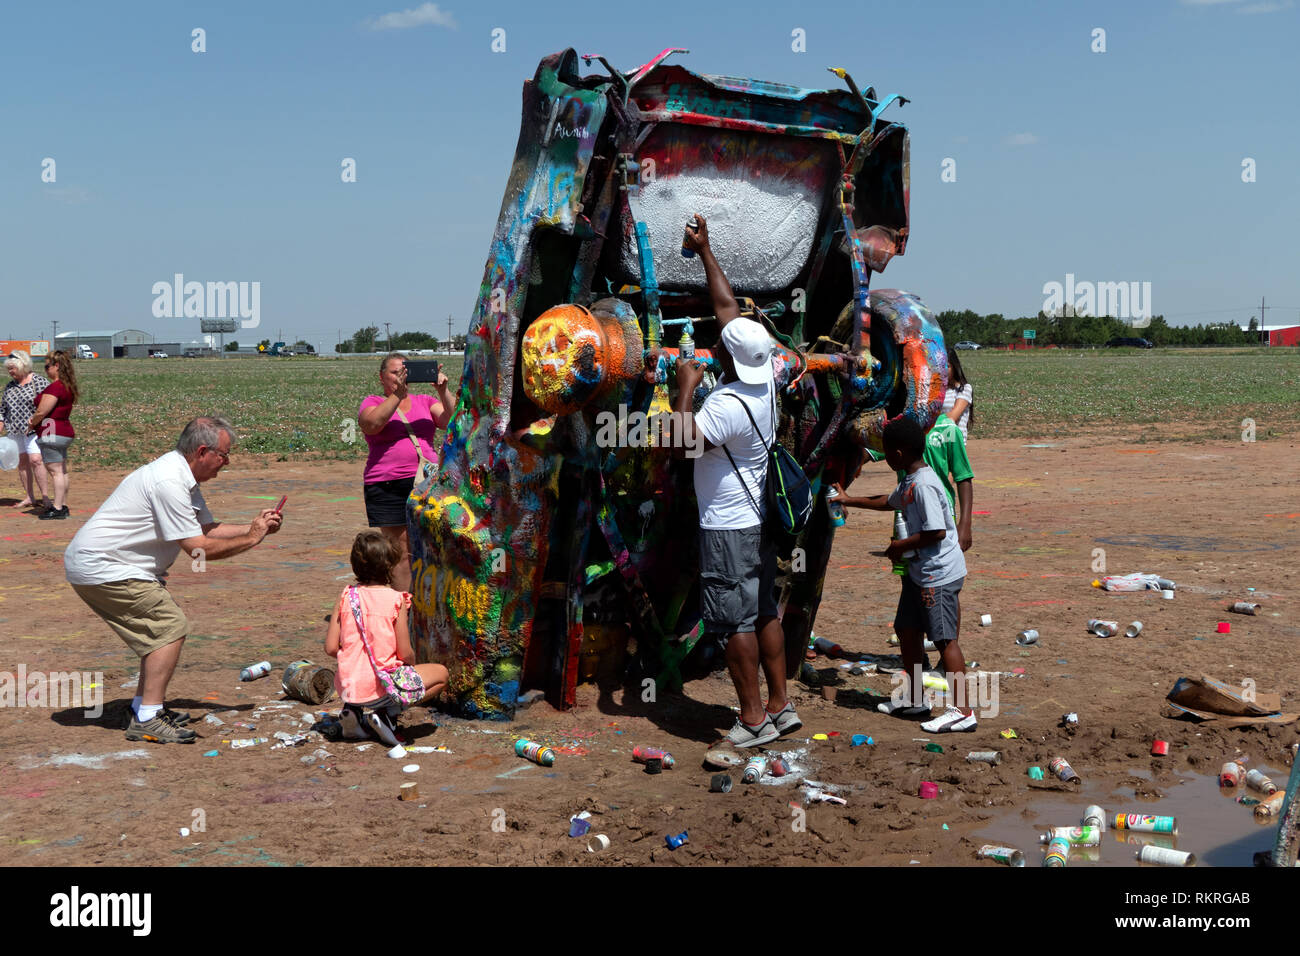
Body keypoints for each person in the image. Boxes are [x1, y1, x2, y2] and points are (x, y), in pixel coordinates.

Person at [65, 417, 283, 743]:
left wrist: (254, 527)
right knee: (168, 628)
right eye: (223, 455)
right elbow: (197, 549)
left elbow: (205, 529)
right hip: (105, 567)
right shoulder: (169, 481)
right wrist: (252, 539)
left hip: (111, 565)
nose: (227, 462)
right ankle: (148, 718)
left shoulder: (182, 477)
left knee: (159, 633)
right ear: (202, 451)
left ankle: (143, 708)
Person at [669, 213, 801, 748]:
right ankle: (780, 704)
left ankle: (750, 722)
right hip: (759, 521)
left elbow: (681, 443)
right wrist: (705, 251)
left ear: (724, 358)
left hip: (727, 525)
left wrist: (684, 386)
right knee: (764, 606)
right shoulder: (769, 378)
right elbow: (729, 311)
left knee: (732, 622)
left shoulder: (724, 404)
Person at [833, 416, 975, 733]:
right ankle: (914, 699)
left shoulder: (924, 485)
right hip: (919, 572)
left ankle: (963, 711)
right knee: (907, 629)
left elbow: (937, 531)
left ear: (897, 454)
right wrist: (848, 499)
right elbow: (889, 500)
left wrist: (899, 546)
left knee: (944, 639)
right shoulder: (910, 480)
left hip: (938, 573)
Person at [325, 530, 449, 745]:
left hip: (347, 687)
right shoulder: (396, 600)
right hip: (382, 690)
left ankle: (353, 710)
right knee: (441, 674)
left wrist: (354, 657)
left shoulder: (346, 595)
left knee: (362, 671)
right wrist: (410, 667)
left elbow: (330, 648)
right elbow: (405, 652)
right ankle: (388, 715)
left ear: (355, 565)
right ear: (390, 565)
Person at [358, 353, 453, 591]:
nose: (400, 376)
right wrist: (397, 396)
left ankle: (426, 607)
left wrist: (443, 391)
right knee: (400, 550)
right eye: (394, 372)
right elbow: (372, 424)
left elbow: (452, 422)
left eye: (404, 371)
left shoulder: (424, 400)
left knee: (433, 544)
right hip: (387, 483)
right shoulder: (372, 401)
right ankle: (404, 609)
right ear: (382, 377)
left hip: (426, 483)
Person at [30, 350, 79, 519]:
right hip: (64, 431)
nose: (45, 370)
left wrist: (32, 423)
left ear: (56, 366)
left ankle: (57, 508)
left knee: (55, 471)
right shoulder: (67, 386)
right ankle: (63, 505)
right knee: (62, 471)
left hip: (51, 431)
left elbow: (42, 411)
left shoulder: (55, 387)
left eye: (47, 366)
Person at [2, 351, 52, 513]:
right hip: (14, 430)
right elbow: (2, 409)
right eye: (8, 369)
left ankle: (45, 497)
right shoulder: (10, 386)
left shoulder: (38, 382)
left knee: (36, 460)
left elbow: (49, 404)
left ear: (23, 365)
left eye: (13, 368)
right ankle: (29, 496)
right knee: (22, 462)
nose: (11, 372)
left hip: (34, 429)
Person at [942, 346, 973, 440]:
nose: (942, 370)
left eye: (947, 366)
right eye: (939, 366)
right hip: (936, 443)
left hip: (954, 444)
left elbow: (953, 417)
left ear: (955, 367)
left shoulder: (964, 389)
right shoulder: (934, 390)